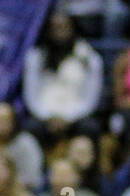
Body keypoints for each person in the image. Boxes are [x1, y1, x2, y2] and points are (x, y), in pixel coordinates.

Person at [22, 11, 103, 143]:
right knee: (31, 128)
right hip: (44, 116)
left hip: (77, 116)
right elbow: (31, 96)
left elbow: (91, 99)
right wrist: (48, 117)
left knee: (90, 127)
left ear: (73, 29)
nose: (60, 33)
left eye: (64, 27)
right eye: (55, 28)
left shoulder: (90, 58)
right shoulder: (36, 57)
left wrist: (69, 118)